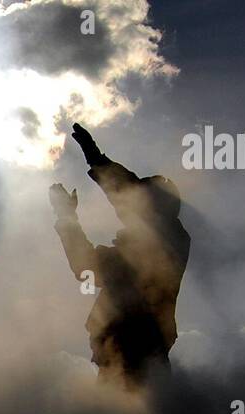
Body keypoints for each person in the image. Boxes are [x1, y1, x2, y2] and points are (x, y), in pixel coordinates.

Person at [48, 124, 190, 390]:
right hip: (116, 359)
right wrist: (67, 218)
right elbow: (86, 266)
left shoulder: (166, 244)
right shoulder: (133, 253)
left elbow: (128, 193)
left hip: (137, 360)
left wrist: (96, 158)